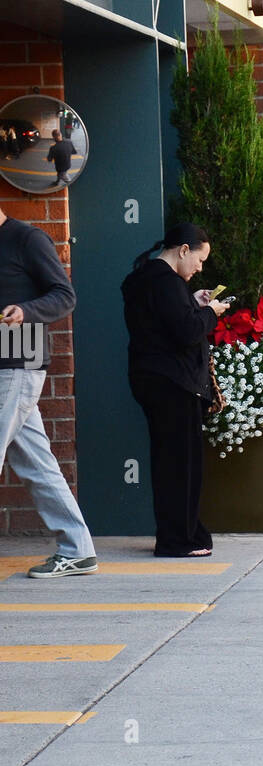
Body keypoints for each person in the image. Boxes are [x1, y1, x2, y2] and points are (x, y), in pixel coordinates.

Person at [121, 223, 230, 556]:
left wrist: (193, 304)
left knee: (170, 460)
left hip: (151, 378)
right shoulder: (167, 282)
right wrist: (210, 313)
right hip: (174, 383)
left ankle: (180, 533)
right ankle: (178, 539)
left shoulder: (144, 278)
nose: (200, 268)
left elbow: (166, 320)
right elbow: (185, 331)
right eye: (199, 259)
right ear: (183, 250)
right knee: (182, 464)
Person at [0, 208, 98, 577]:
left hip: (18, 364)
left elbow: (64, 295)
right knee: (36, 464)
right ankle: (79, 549)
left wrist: (25, 311)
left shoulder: (27, 239)